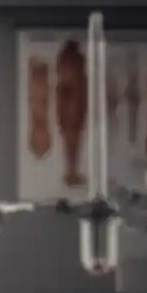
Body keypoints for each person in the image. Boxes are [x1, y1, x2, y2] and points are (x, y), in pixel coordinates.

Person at [55, 40, 87, 187]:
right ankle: (71, 171)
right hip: (72, 103)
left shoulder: (71, 64)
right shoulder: (71, 64)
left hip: (73, 102)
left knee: (73, 138)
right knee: (71, 138)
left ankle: (72, 171)